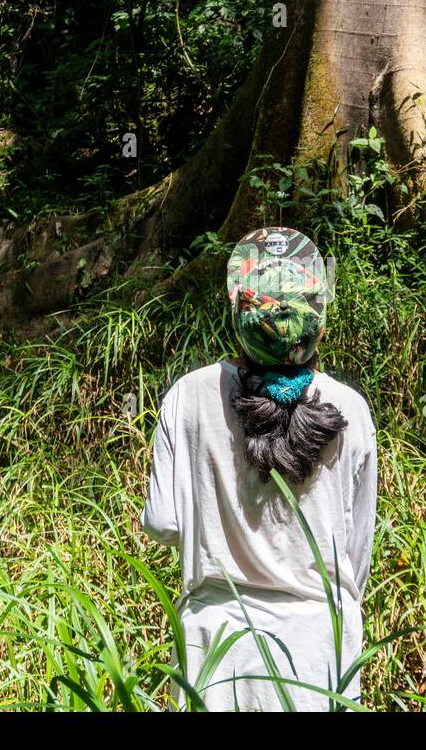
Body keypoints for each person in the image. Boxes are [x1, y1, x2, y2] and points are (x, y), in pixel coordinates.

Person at [141, 226, 378, 711]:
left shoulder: (189, 395)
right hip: (319, 652)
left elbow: (163, 524)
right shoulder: (348, 406)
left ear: (235, 316)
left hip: (216, 650)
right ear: (322, 322)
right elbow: (357, 553)